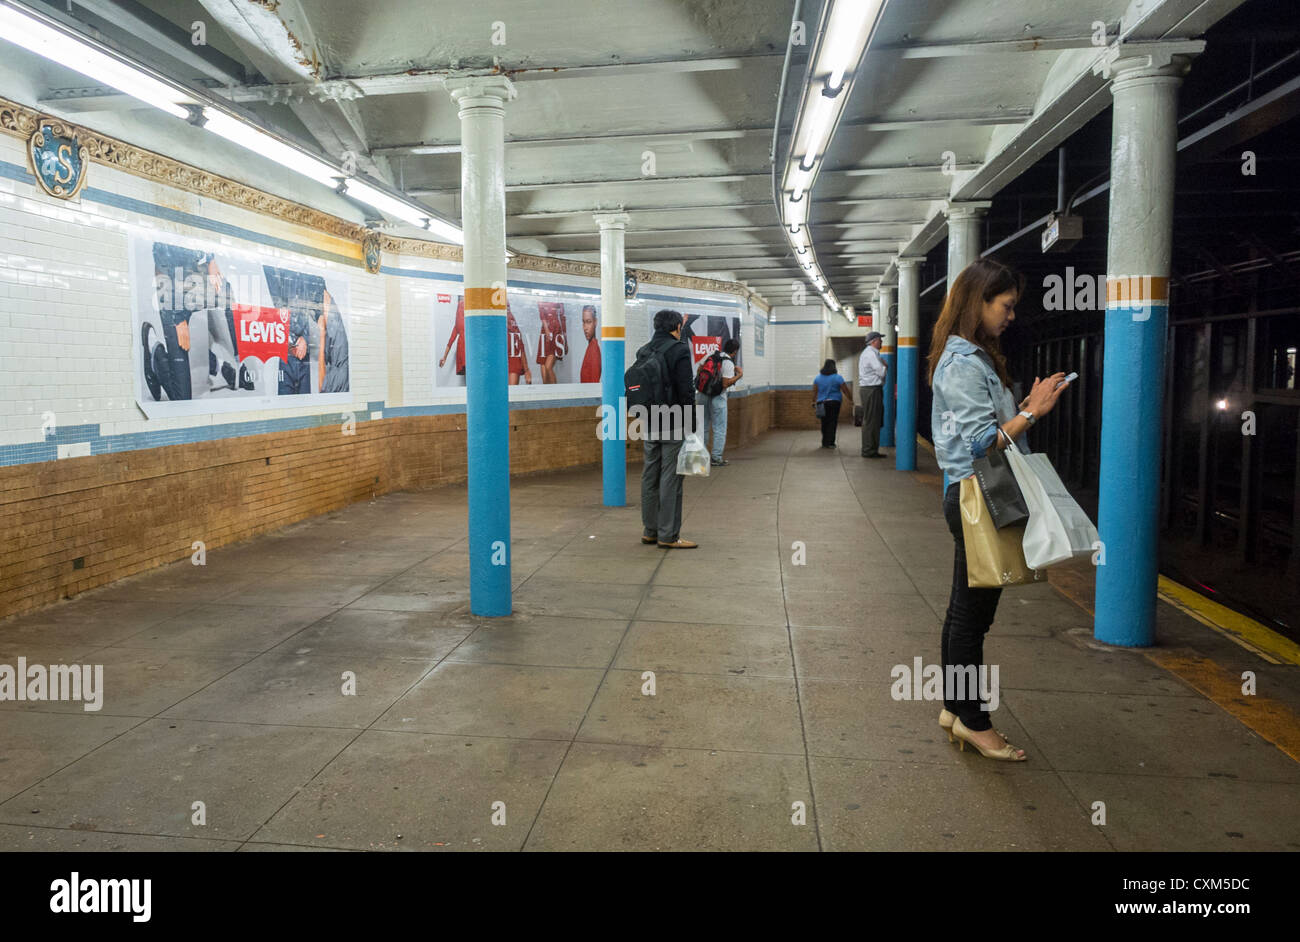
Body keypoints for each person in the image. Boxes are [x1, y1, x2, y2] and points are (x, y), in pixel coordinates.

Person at [929, 257, 1067, 762]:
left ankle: (954, 709)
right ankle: (973, 721)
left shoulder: (967, 356)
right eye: (1005, 306)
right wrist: (1033, 410)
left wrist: (1024, 404)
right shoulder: (964, 363)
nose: (1011, 316)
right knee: (972, 619)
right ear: (979, 302)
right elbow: (985, 441)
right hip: (976, 498)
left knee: (963, 613)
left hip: (972, 495)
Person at [640, 308, 697, 549]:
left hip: (649, 419)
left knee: (650, 474)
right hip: (673, 420)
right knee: (671, 477)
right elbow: (686, 390)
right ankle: (668, 535)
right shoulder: (679, 349)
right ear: (677, 327)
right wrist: (691, 422)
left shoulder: (644, 350)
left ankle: (650, 531)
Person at [698, 338, 742, 466]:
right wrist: (739, 375)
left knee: (702, 426)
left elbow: (700, 370)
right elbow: (725, 383)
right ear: (735, 351)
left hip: (702, 394)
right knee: (719, 428)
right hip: (718, 397)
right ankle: (716, 458)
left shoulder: (710, 355)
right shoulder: (728, 363)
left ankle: (701, 457)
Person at [858, 330, 887, 458]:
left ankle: (871, 449)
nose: (882, 341)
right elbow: (881, 372)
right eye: (880, 339)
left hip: (870, 389)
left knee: (874, 420)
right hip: (871, 390)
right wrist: (885, 365)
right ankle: (869, 450)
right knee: (871, 421)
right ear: (874, 341)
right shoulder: (871, 354)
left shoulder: (870, 353)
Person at [812, 359, 851, 448]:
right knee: (832, 422)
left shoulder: (818, 378)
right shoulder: (838, 377)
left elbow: (814, 391)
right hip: (834, 403)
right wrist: (850, 399)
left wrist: (813, 401)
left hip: (821, 403)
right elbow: (845, 390)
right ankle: (830, 443)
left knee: (824, 422)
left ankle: (824, 442)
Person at [579, 304, 601, 383]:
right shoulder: (590, 347)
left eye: (588, 322)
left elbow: (594, 383)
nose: (585, 328)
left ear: (595, 322)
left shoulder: (594, 349)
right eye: (584, 322)